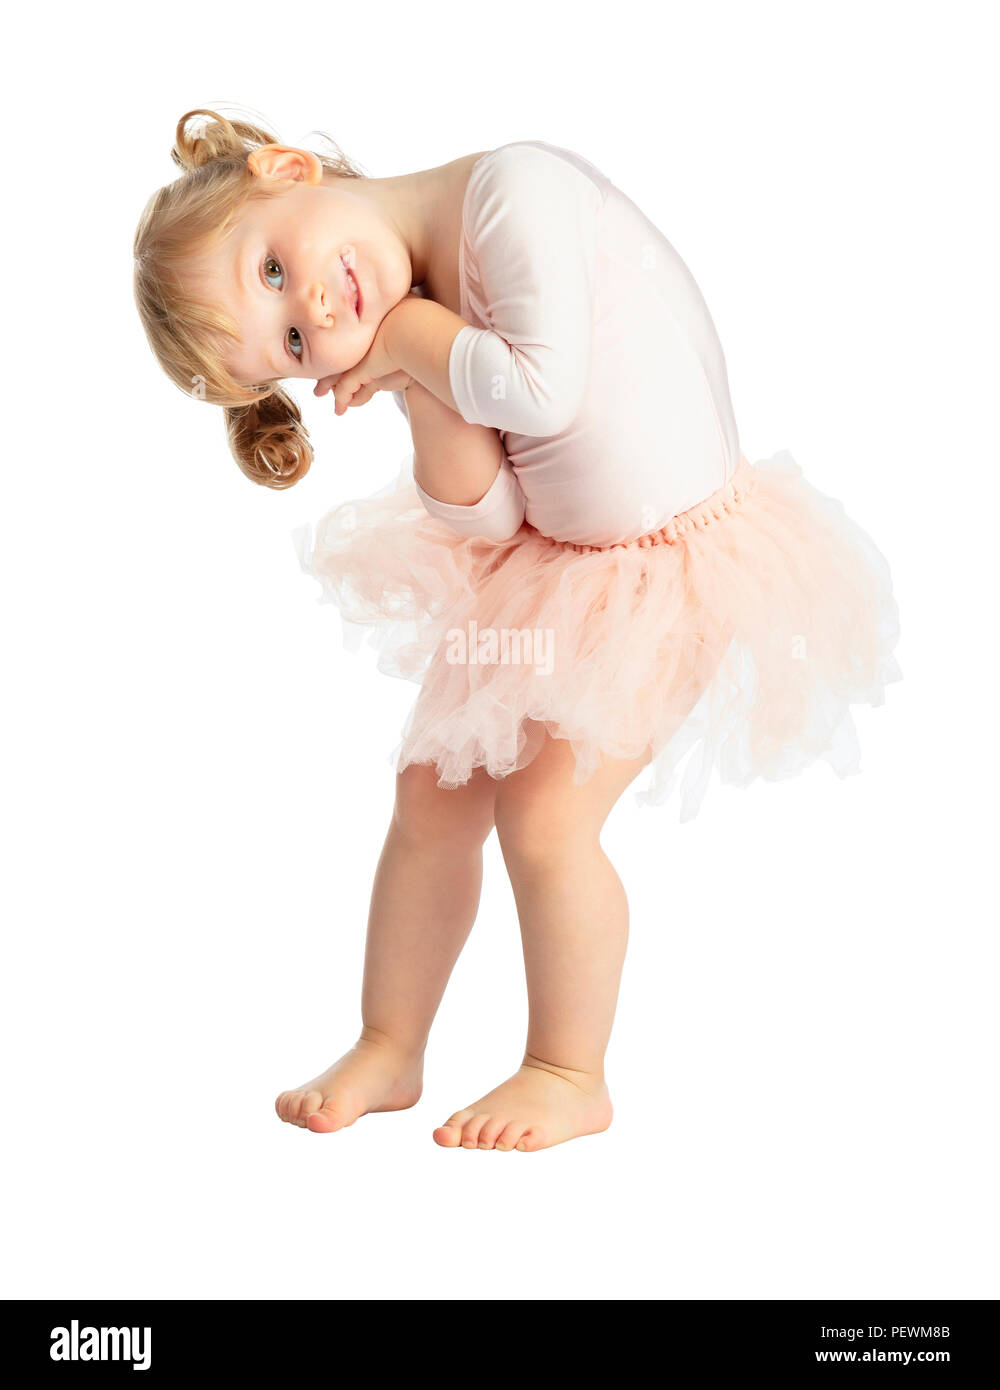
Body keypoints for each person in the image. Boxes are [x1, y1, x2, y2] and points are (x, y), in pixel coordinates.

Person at [133, 108, 902, 1152]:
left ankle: (567, 1069)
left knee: (543, 819)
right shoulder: (409, 310)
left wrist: (406, 344)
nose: (313, 308)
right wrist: (422, 386)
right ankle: (388, 1039)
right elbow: (485, 517)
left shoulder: (511, 192)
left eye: (272, 269)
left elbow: (539, 394)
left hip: (670, 568)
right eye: (297, 344)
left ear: (285, 171)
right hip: (554, 572)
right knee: (432, 786)